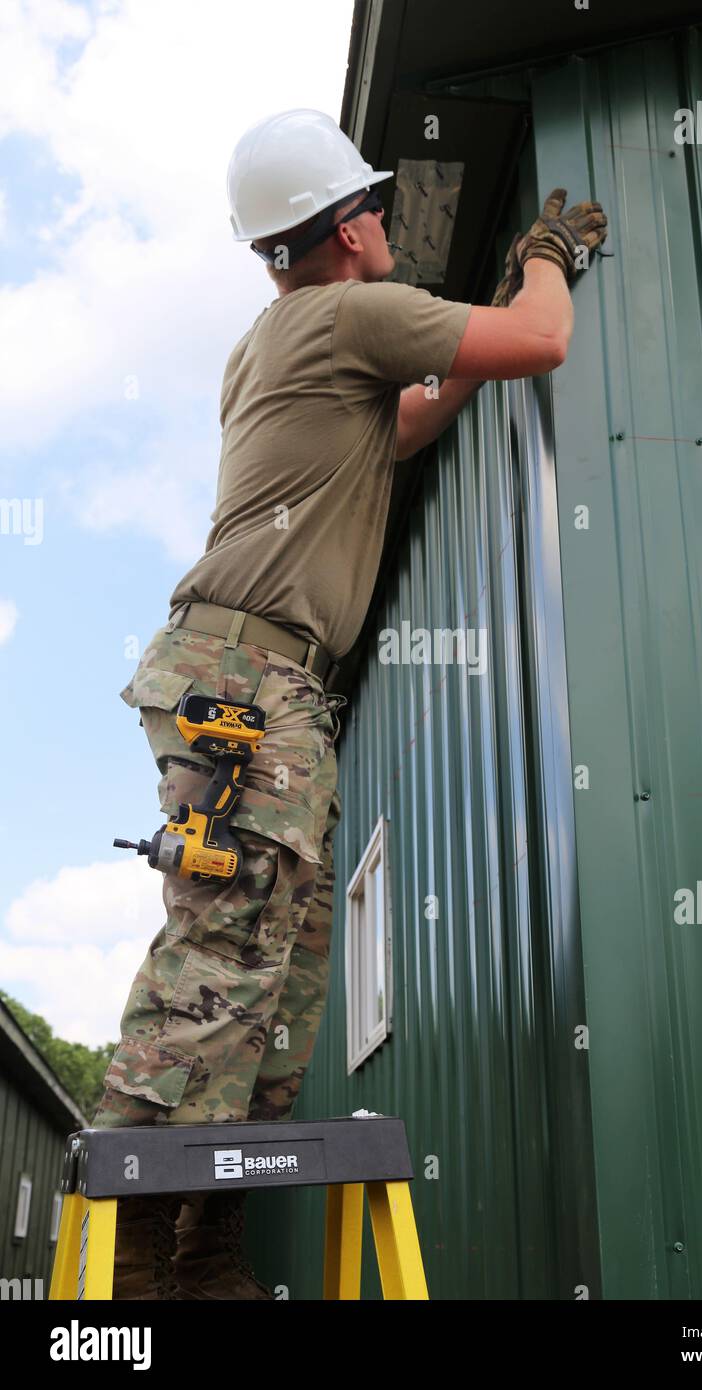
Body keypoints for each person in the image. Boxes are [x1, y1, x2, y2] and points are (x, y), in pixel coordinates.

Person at [90, 107, 607, 1300]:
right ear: (341, 228)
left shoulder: (282, 339)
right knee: (223, 949)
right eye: (370, 204)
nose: (384, 222)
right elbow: (540, 340)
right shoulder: (350, 313)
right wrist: (546, 253)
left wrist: (459, 348)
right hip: (248, 683)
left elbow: (402, 424)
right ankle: (122, 1252)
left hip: (256, 688)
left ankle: (203, 1246)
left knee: (283, 972)